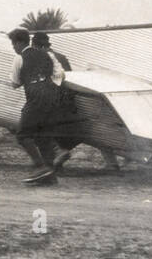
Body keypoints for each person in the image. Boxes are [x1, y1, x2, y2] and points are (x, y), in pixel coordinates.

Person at [31, 31, 121, 173]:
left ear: (36, 46)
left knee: (35, 128)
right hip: (69, 102)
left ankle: (57, 156)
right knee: (94, 131)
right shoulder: (61, 57)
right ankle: (112, 163)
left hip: (53, 103)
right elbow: (70, 78)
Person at [10, 32, 66, 184]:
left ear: (19, 43)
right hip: (53, 96)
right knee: (43, 136)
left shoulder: (19, 57)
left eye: (13, 44)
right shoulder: (48, 55)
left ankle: (41, 167)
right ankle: (50, 176)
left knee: (22, 134)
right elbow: (60, 74)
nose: (14, 47)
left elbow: (15, 83)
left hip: (36, 97)